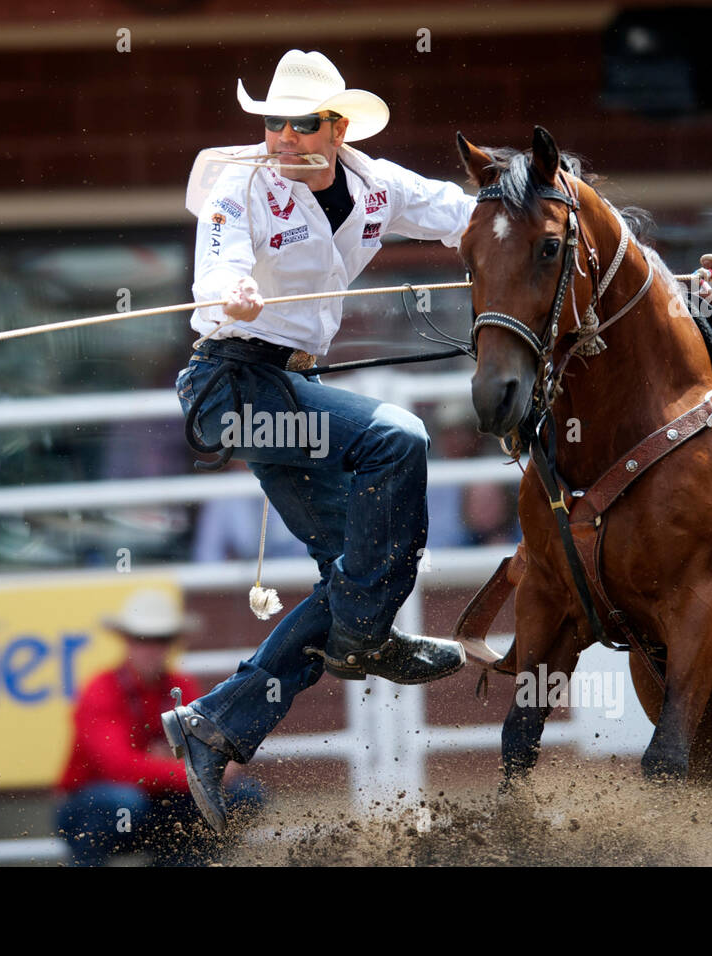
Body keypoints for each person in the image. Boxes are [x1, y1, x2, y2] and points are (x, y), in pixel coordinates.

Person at [163, 50, 475, 833]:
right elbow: (224, 258)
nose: (284, 138)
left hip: (276, 387)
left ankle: (219, 722)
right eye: (273, 123)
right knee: (397, 438)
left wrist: (545, 219)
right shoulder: (238, 185)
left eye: (303, 124)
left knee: (350, 573)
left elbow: (460, 212)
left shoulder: (376, 186)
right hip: (231, 387)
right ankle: (368, 638)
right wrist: (229, 290)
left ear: (338, 128)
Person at [55, 588, 260, 864]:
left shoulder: (181, 686)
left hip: (155, 800)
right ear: (126, 642)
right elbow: (120, 768)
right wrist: (194, 771)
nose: (151, 649)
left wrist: (176, 766)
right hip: (90, 804)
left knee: (243, 797)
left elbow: (209, 753)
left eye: (160, 640)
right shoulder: (101, 690)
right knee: (126, 802)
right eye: (142, 639)